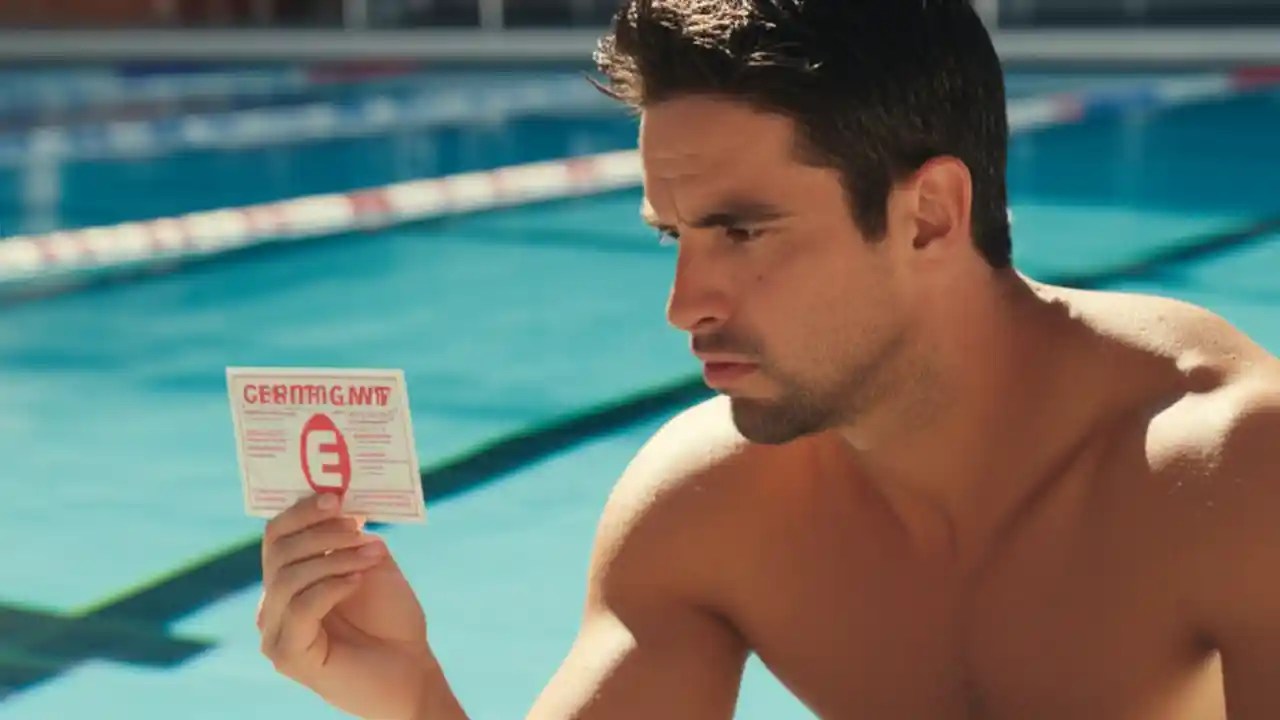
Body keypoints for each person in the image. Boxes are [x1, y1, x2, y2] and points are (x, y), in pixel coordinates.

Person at [255, 1, 1280, 718]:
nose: (681, 306)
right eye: (675, 236)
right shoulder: (713, 503)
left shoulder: (1226, 473)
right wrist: (410, 696)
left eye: (742, 232)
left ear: (926, 215)